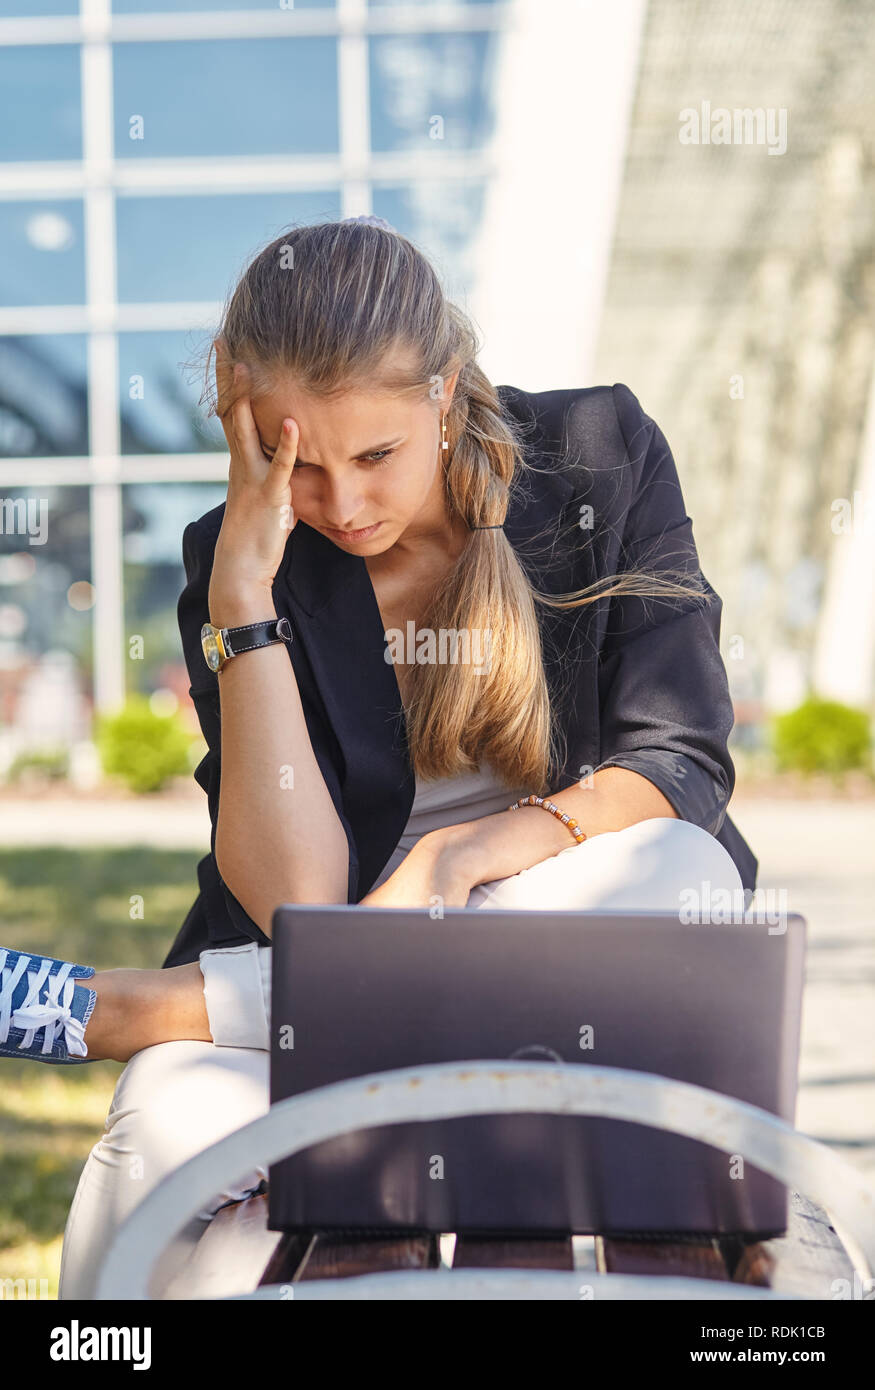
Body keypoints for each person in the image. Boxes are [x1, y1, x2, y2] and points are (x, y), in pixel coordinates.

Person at [0, 216, 756, 1297]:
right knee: (163, 1128)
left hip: (570, 1008)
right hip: (318, 1003)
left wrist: (453, 865)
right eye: (296, 460)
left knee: (683, 874)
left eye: (375, 456)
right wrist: (244, 607)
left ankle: (147, 1007)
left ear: (443, 393)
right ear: (238, 419)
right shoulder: (236, 559)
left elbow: (677, 762)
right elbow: (293, 896)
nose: (342, 506)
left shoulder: (598, 454)